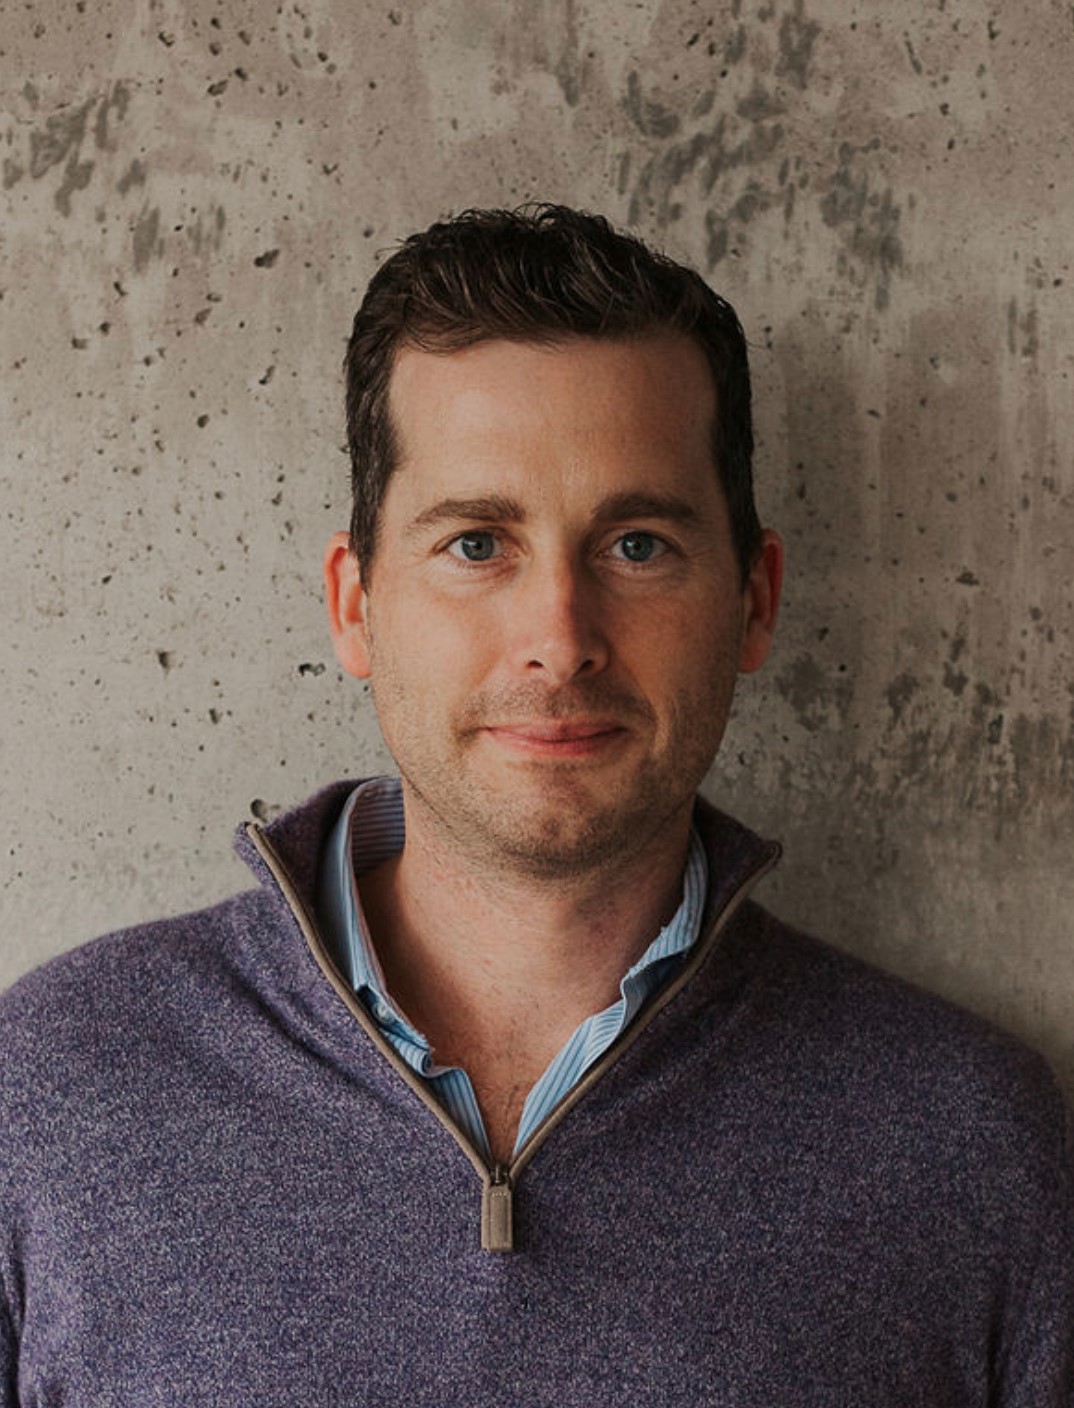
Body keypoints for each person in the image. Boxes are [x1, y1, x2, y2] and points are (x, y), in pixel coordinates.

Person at [0, 205, 1070, 1406]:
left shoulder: (968, 1143)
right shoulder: (52, 1091)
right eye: (476, 544)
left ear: (755, 599)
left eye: (638, 545)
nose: (559, 639)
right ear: (355, 605)